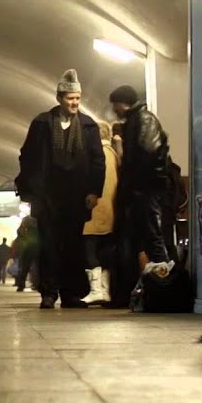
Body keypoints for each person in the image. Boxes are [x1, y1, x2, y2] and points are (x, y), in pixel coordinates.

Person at [16, 69, 106, 309]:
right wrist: (32, 189)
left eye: (77, 98)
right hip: (47, 196)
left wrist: (94, 191)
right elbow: (27, 156)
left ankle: (71, 293)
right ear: (59, 98)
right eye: (70, 98)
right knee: (48, 245)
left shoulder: (88, 126)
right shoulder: (42, 124)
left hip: (76, 196)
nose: (74, 103)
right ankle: (49, 292)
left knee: (74, 245)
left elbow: (98, 161)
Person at [110, 85, 172, 286]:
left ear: (122, 103)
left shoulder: (144, 120)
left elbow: (147, 151)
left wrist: (135, 181)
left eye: (115, 105)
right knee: (146, 237)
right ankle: (153, 284)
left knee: (153, 236)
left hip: (146, 189)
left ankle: (163, 283)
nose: (114, 110)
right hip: (141, 189)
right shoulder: (137, 120)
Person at [81, 120, 119, 305]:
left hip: (94, 209)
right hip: (111, 210)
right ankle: (105, 290)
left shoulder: (93, 155)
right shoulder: (114, 154)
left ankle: (96, 291)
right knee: (105, 252)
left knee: (89, 249)